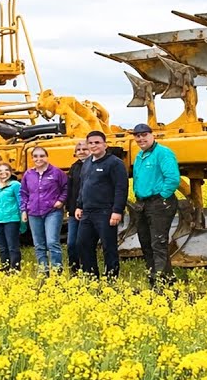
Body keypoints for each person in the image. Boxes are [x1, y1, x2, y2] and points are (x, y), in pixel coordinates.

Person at [130, 123, 181, 288]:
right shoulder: (140, 156)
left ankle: (160, 282)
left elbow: (172, 178)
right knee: (145, 242)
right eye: (137, 136)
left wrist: (162, 197)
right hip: (143, 204)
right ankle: (160, 278)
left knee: (158, 242)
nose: (140, 138)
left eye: (144, 135)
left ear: (153, 135)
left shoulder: (163, 153)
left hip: (159, 203)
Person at [73, 130, 128, 278]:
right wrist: (79, 205)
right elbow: (83, 185)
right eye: (90, 143)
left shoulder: (115, 163)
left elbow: (121, 188)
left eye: (97, 142)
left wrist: (117, 211)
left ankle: (112, 278)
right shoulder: (87, 163)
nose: (93, 145)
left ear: (105, 144)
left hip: (106, 212)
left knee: (108, 247)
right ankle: (91, 277)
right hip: (87, 212)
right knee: (82, 244)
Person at [20, 146, 68, 275]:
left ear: (47, 157)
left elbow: (66, 187)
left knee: (52, 242)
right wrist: (24, 210)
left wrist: (61, 201)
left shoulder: (57, 172)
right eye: (35, 156)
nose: (38, 159)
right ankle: (43, 271)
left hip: (52, 211)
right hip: (33, 212)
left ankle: (57, 271)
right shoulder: (28, 174)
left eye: (41, 156)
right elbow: (23, 192)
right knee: (39, 244)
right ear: (32, 158)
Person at [0, 162, 23, 273]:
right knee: (2, 247)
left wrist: (23, 218)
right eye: (0, 171)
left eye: (6, 170)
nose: (3, 173)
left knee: (12, 246)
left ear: (10, 172)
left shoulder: (15, 185)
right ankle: (5, 268)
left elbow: (20, 202)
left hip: (11, 219)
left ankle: (15, 269)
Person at [64, 140, 90, 273]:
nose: (82, 152)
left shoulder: (93, 165)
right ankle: (74, 269)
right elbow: (70, 189)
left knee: (83, 242)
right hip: (74, 211)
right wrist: (69, 208)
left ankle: (87, 269)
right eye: (79, 150)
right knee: (71, 243)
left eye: (85, 149)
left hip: (88, 210)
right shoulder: (74, 167)